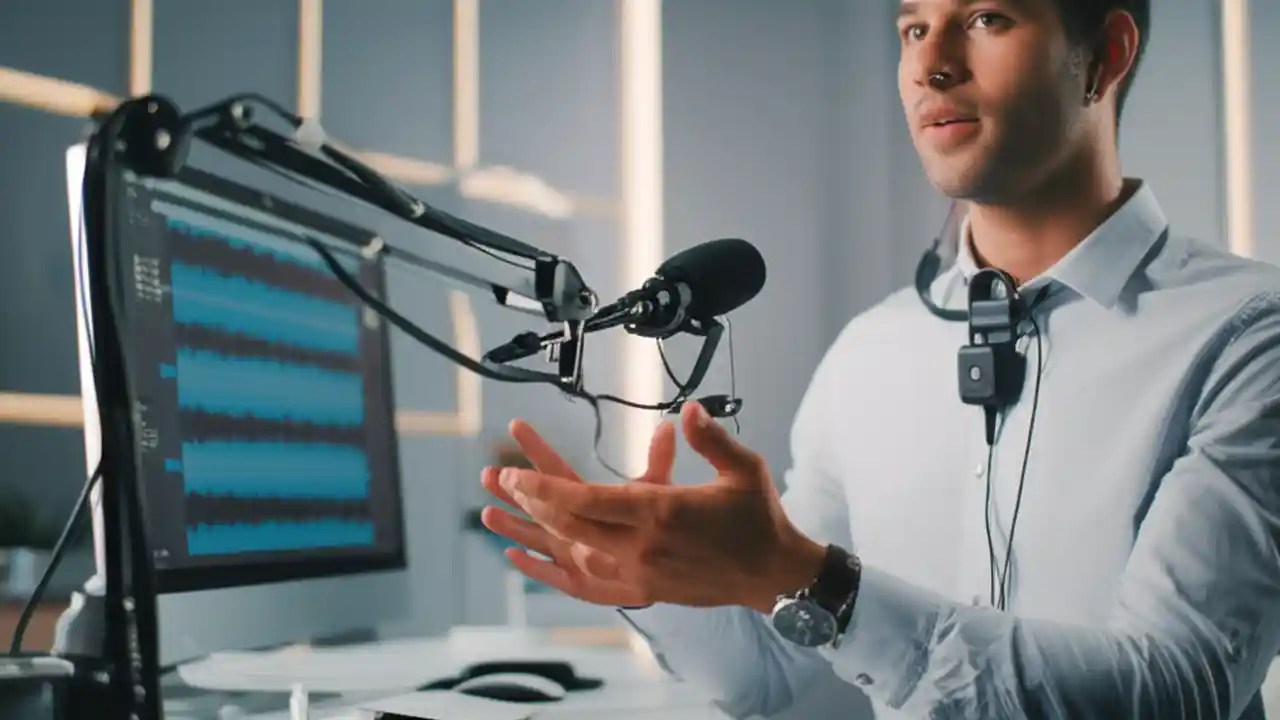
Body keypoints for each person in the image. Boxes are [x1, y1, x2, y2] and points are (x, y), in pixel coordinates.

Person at [480, 0, 1280, 717]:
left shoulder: (1249, 336)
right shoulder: (869, 354)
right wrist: (657, 580)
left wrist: (811, 578)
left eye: (986, 19)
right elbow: (766, 674)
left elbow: (1179, 690)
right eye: (912, 28)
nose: (932, 62)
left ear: (1105, 54)